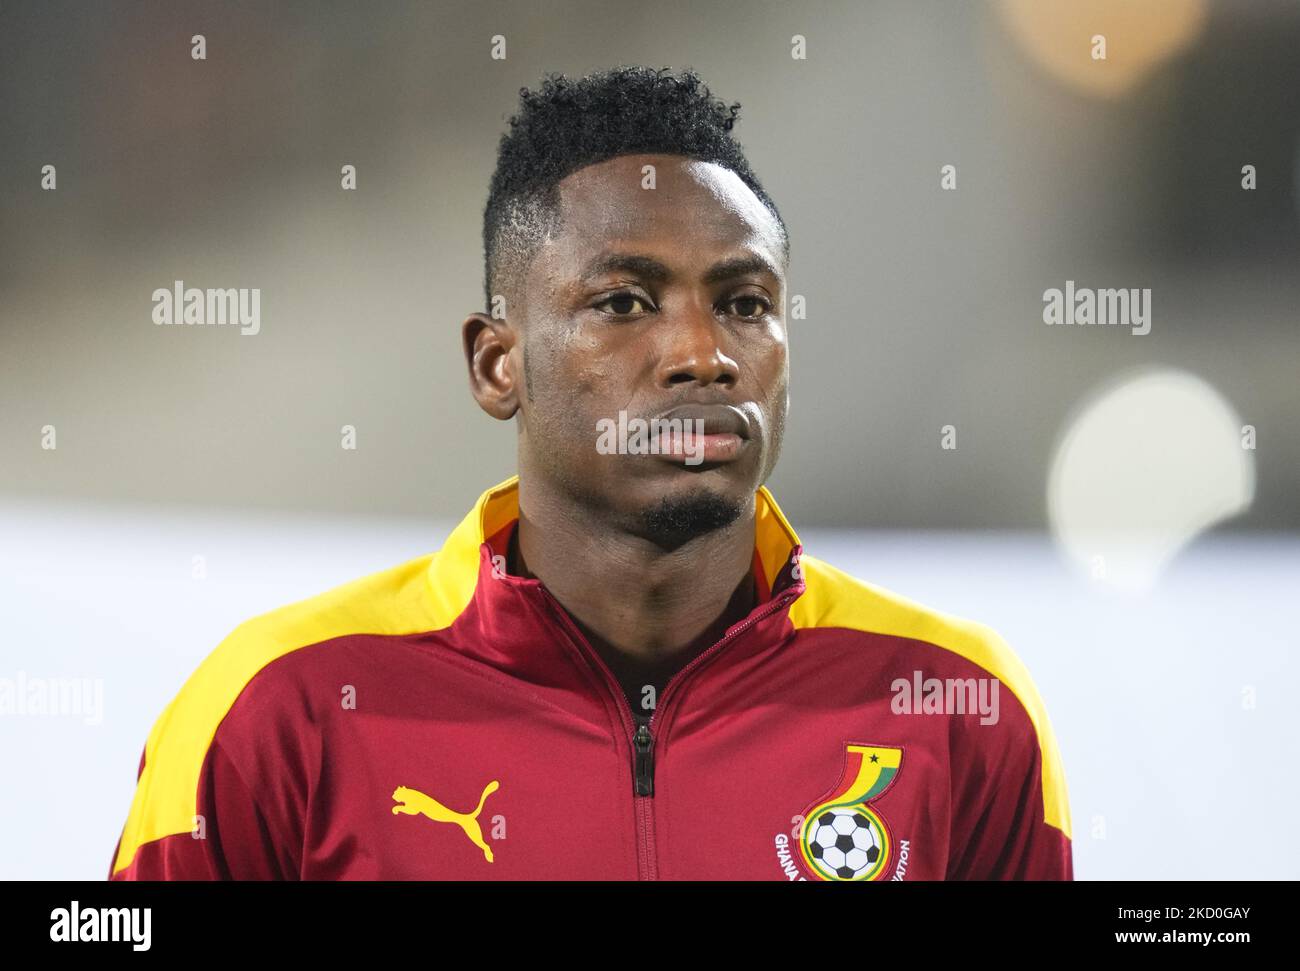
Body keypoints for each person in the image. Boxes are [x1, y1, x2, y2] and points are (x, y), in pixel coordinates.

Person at [109, 66, 1071, 881]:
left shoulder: (957, 704)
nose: (704, 354)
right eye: (624, 301)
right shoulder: (280, 705)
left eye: (743, 302)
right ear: (497, 365)